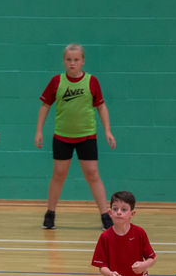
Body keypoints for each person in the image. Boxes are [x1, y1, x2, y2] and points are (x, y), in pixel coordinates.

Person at [34, 43, 116, 231]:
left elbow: (101, 107)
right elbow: (45, 106)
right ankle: (50, 214)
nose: (72, 63)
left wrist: (107, 131)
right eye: (69, 59)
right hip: (62, 136)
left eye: (76, 59)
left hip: (87, 136)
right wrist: (39, 131)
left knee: (93, 174)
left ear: (83, 61)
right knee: (59, 175)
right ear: (64, 61)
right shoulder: (57, 81)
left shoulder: (91, 81)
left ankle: (105, 216)